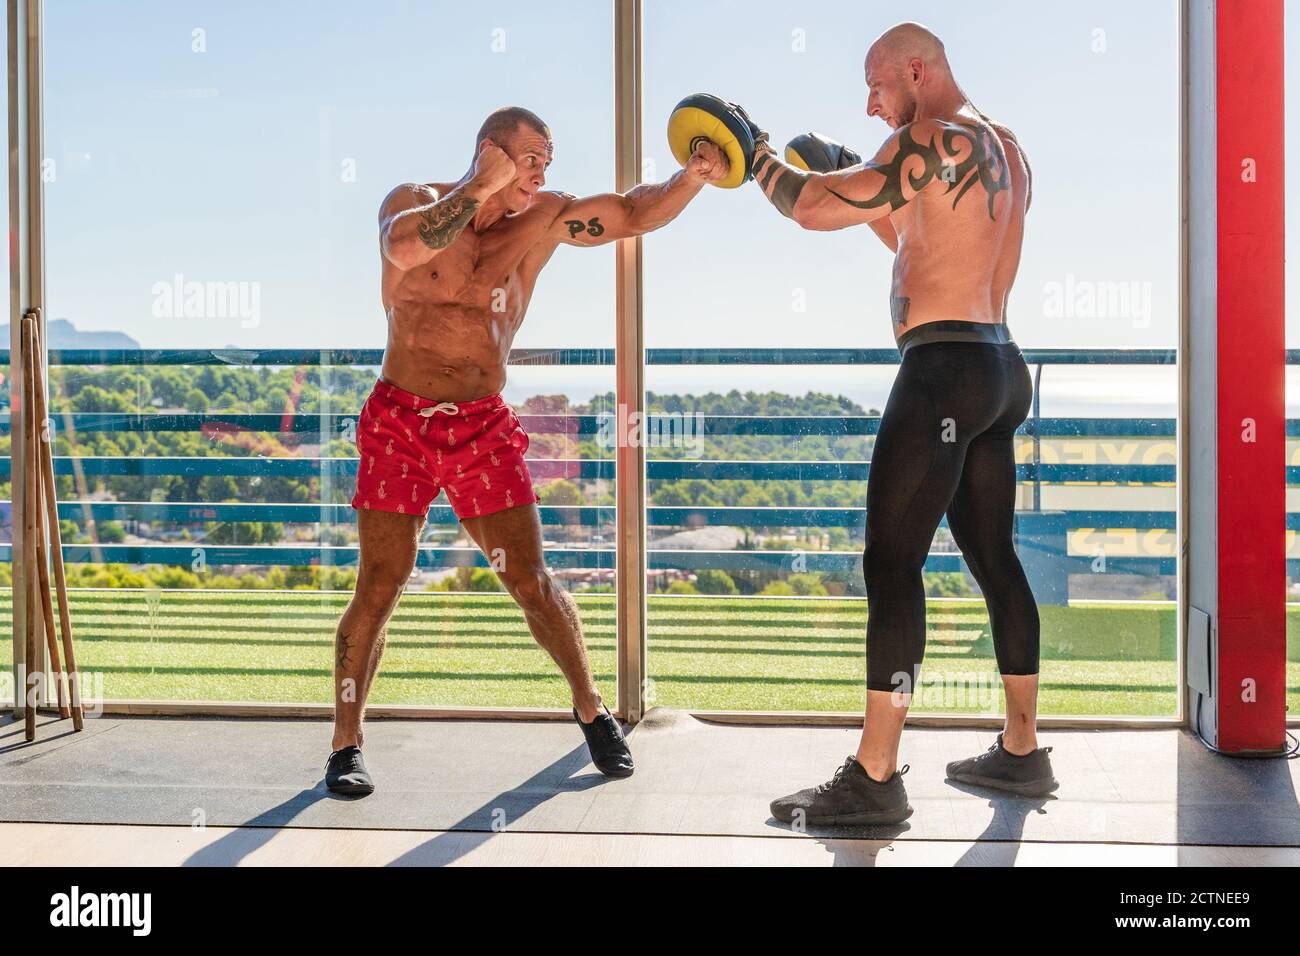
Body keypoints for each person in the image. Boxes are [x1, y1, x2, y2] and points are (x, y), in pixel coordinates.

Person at [325, 106, 729, 796]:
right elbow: (403, 249)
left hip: (481, 425)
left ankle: (591, 708)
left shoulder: (542, 221)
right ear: (491, 154)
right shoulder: (414, 204)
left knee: (531, 581)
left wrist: (692, 177)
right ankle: (345, 744)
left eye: (548, 160)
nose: (543, 171)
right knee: (380, 583)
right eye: (532, 157)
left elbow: (632, 213)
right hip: (399, 421)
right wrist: (480, 188)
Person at [738, 22, 1055, 825]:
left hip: (943, 370)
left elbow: (811, 210)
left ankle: (875, 775)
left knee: (890, 563)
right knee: (995, 558)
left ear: (917, 70)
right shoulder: (1005, 148)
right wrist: (850, 162)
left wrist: (755, 155)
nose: (872, 102)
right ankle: (1022, 753)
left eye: (878, 84)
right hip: (999, 368)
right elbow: (910, 229)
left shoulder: (929, 137)